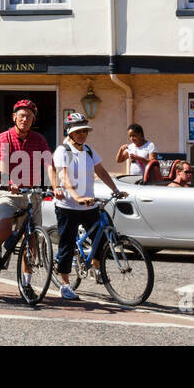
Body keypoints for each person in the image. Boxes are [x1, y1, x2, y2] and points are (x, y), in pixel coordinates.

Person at [0, 99, 59, 287]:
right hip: (10, 193)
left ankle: (27, 284)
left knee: (31, 239)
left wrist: (57, 186)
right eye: (22, 116)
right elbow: (1, 162)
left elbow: (49, 164)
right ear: (14, 117)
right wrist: (8, 182)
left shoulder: (39, 139)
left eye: (29, 117)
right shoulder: (4, 137)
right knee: (4, 230)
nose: (25, 119)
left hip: (31, 194)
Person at [53, 112, 126, 300]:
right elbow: (64, 176)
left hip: (89, 204)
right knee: (67, 244)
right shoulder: (63, 150)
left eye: (85, 131)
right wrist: (76, 196)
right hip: (68, 206)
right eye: (78, 131)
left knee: (100, 240)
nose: (82, 134)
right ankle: (65, 285)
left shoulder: (89, 150)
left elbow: (101, 171)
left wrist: (115, 189)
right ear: (69, 132)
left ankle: (97, 270)